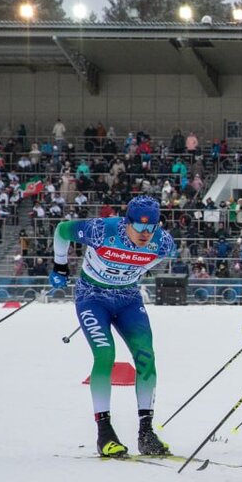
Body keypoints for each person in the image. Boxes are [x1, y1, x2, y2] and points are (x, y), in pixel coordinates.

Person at [50, 195, 176, 457]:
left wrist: (129, 270)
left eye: (150, 228)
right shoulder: (101, 229)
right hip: (92, 298)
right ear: (126, 222)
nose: (144, 234)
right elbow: (62, 230)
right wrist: (60, 266)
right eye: (139, 227)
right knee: (105, 354)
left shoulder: (163, 243)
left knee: (146, 357)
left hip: (128, 299)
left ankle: (146, 432)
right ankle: (104, 432)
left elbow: (146, 263)